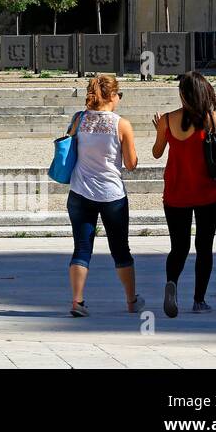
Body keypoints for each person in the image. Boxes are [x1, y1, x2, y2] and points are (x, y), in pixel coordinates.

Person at [153, 70, 216, 317]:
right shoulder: (209, 118)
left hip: (176, 193)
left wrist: (159, 129)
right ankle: (199, 300)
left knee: (178, 246)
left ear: (182, 94)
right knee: (204, 246)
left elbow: (157, 153)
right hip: (206, 193)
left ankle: (172, 284)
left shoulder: (167, 120)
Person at [65, 74, 143, 317]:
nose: (119, 99)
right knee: (120, 249)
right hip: (111, 195)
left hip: (80, 191)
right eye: (119, 94)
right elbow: (131, 164)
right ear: (111, 96)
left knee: (81, 248)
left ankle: (77, 302)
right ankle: (131, 300)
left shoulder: (79, 119)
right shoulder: (121, 125)